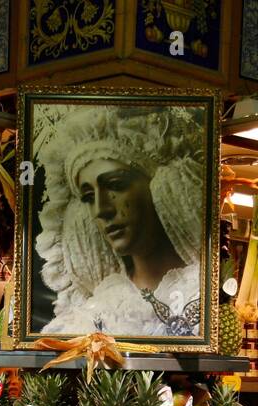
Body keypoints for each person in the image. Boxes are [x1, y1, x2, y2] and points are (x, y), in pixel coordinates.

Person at [34, 105, 204, 337]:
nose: (101, 210)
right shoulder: (100, 308)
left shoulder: (200, 292)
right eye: (89, 197)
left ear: (159, 186)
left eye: (116, 185)